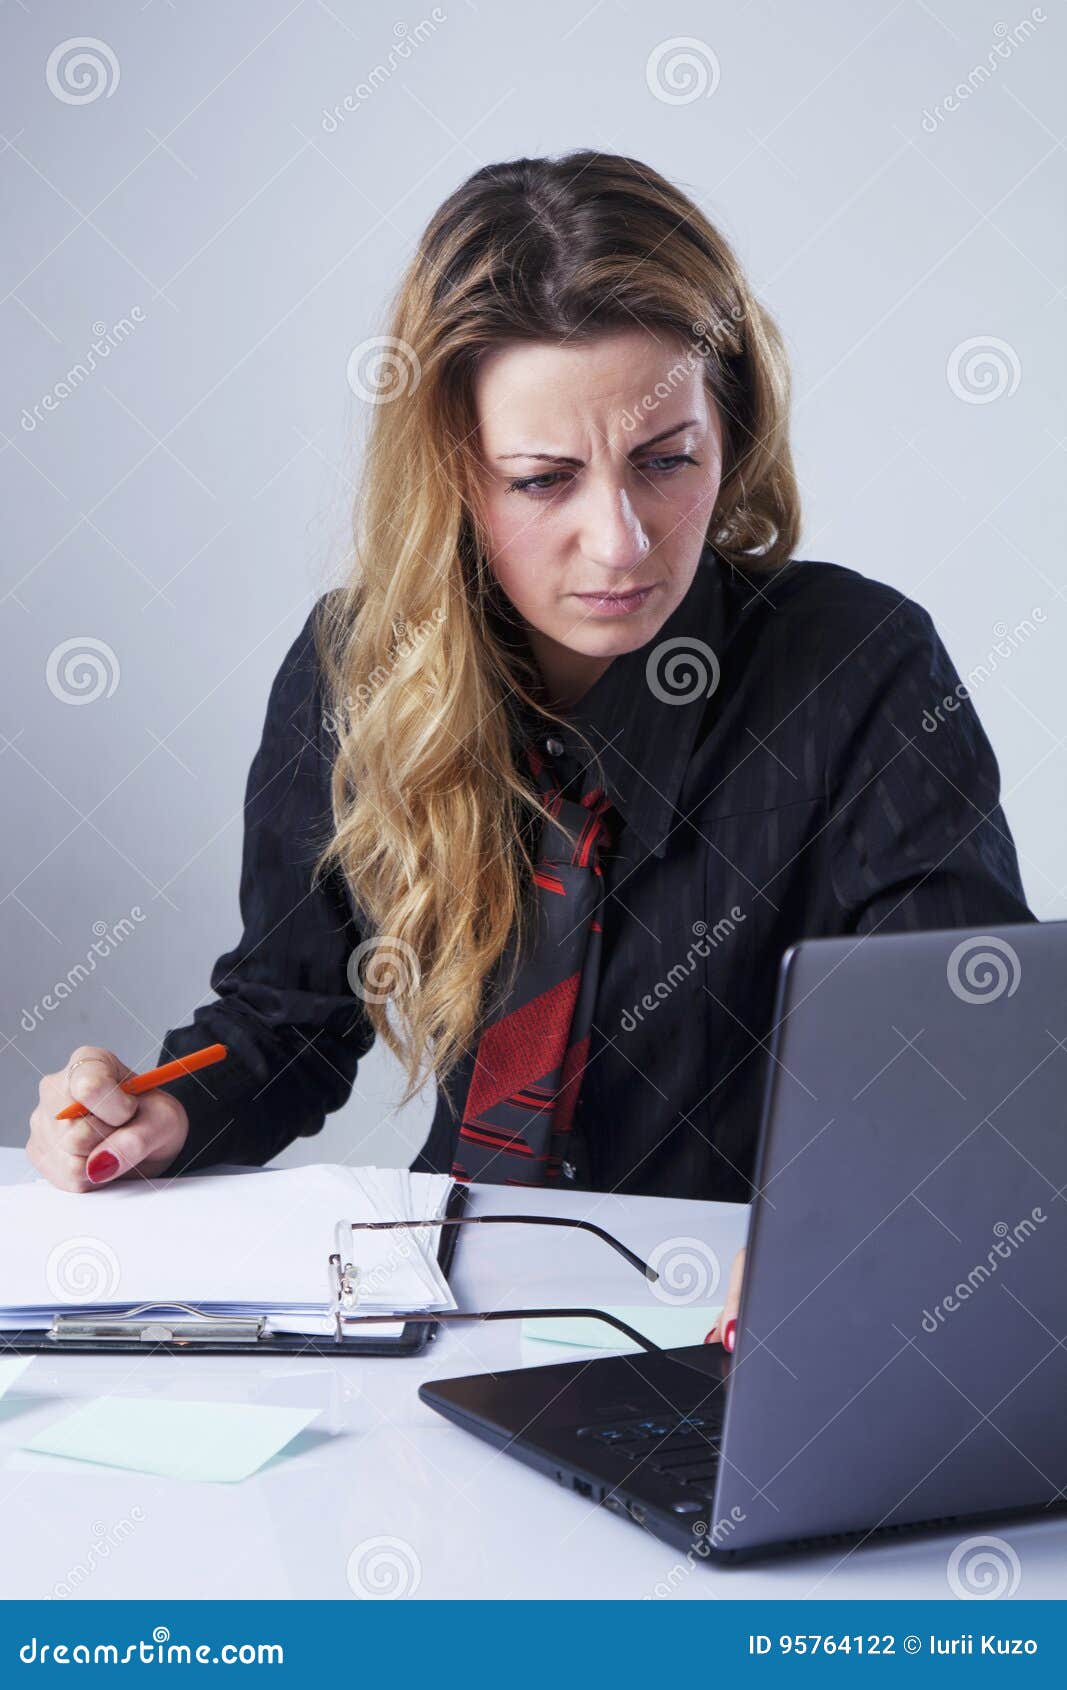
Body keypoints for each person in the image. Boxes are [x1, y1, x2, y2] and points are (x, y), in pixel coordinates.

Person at [27, 150, 1033, 1312]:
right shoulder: (358, 670)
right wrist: (169, 1109)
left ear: (731, 430)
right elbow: (288, 1017)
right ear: (452, 471)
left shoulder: (857, 667)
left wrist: (853, 1223)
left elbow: (957, 1050)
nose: (620, 541)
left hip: (743, 1318)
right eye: (543, 480)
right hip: (437, 1301)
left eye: (666, 462)